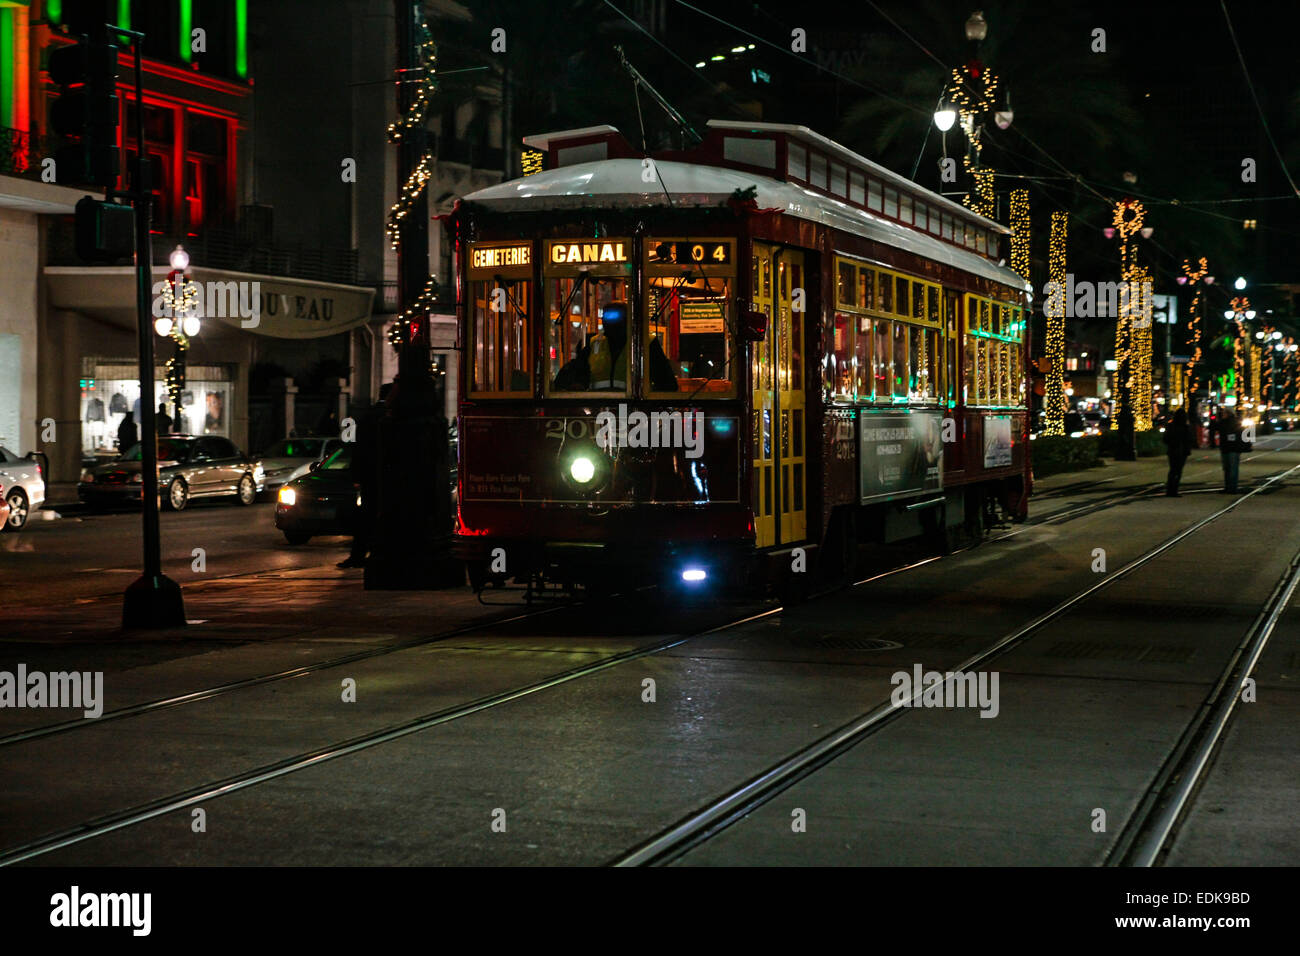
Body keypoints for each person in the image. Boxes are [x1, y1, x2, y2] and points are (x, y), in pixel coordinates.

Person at [552, 301, 678, 392]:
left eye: (615, 317)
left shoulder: (646, 343)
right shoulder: (594, 343)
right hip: (599, 414)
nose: (610, 322)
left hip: (634, 414)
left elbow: (667, 384)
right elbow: (577, 376)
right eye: (607, 317)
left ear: (628, 320)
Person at [338, 383, 390, 569]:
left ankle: (358, 555)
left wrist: (356, 476)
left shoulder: (368, 417)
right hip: (387, 477)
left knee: (367, 517)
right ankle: (377, 553)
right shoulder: (390, 416)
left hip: (369, 476)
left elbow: (358, 450)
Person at [1161, 408, 1193, 496]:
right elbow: (1190, 439)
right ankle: (1174, 489)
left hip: (1172, 451)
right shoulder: (1186, 427)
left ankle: (1170, 489)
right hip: (1182, 452)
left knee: (1172, 470)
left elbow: (1165, 439)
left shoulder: (1171, 426)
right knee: (1178, 471)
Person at [1216, 407, 1244, 493]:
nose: (1223, 414)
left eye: (1224, 413)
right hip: (1234, 448)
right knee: (1233, 468)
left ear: (1227, 413)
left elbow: (1215, 428)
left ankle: (1229, 487)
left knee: (1228, 468)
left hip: (1226, 448)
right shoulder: (1237, 421)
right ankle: (1232, 487)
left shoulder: (1223, 422)